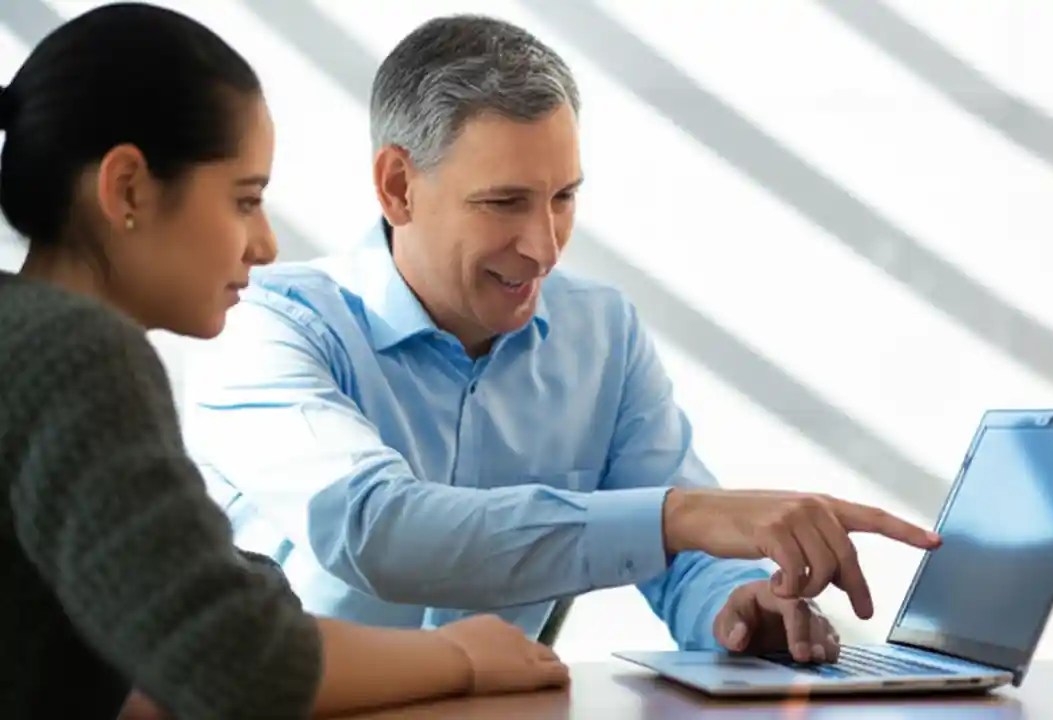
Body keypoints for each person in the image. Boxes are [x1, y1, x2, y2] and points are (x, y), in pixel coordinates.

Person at [183, 14, 941, 666]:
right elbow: (376, 530)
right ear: (397, 187)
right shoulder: (267, 324)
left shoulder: (601, 335)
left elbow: (685, 566)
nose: (544, 247)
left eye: (564, 198)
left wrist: (738, 608)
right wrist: (673, 515)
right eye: (504, 202)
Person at [0, 5, 567, 719]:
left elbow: (173, 615)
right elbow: (237, 660)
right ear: (128, 189)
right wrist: (464, 655)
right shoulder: (75, 354)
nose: (265, 244)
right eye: (245, 200)